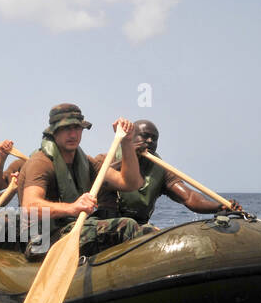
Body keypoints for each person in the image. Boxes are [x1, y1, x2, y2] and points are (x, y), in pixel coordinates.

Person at [17, 103, 157, 257]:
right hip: (41, 241)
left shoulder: (86, 163)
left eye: (77, 128)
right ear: (54, 132)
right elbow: (29, 207)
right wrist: (72, 208)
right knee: (126, 226)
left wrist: (126, 142)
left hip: (73, 228)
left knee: (143, 229)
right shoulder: (40, 163)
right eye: (66, 129)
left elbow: (130, 183)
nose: (73, 134)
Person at [95, 119, 242, 224]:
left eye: (154, 139)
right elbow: (96, 179)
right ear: (130, 137)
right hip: (109, 224)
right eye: (145, 136)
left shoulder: (162, 171)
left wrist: (219, 206)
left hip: (139, 227)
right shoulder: (104, 160)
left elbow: (189, 197)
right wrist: (130, 156)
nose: (150, 141)